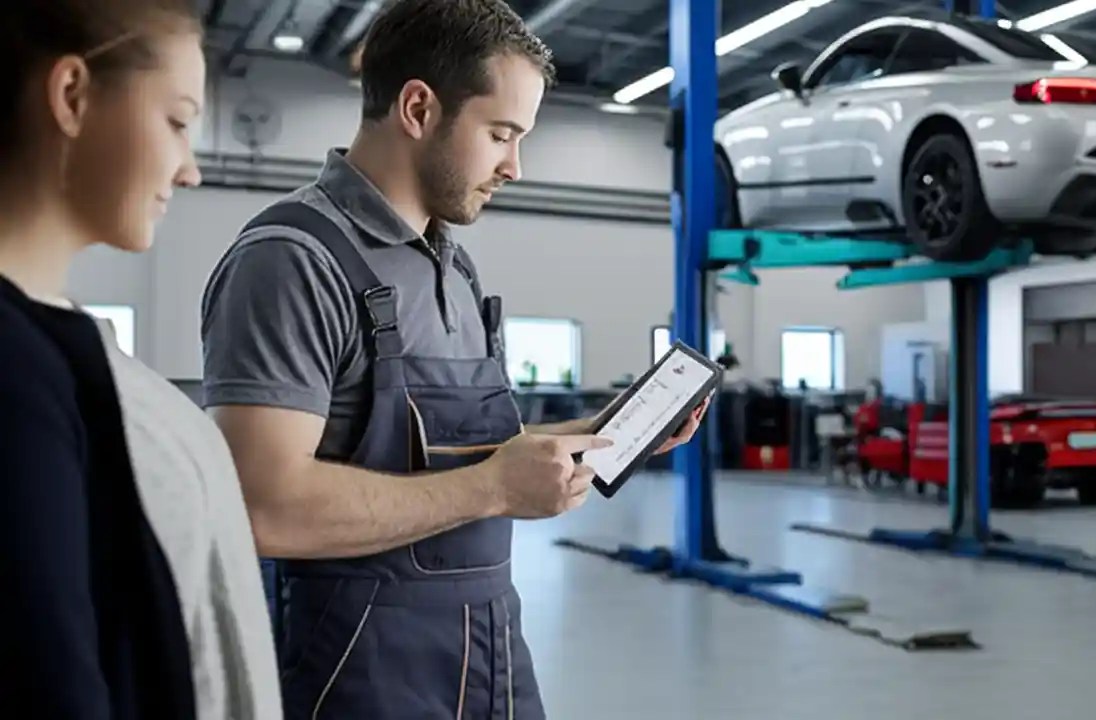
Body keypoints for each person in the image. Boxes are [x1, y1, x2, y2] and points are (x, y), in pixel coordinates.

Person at [200, 0, 708, 717]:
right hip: (360, 673)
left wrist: (603, 431)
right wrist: (495, 491)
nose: (516, 166)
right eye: (501, 134)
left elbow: (474, 457)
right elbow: (262, 508)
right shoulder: (292, 261)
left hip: (492, 655)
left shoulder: (455, 268)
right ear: (417, 107)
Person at [0, 2, 282, 719]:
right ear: (72, 96)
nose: (188, 171)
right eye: (178, 121)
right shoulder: (17, 373)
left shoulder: (51, 348)